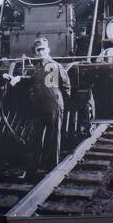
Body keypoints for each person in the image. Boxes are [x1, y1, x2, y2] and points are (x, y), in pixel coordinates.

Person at [27, 37, 70, 174]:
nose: (40, 52)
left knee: (53, 135)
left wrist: (60, 102)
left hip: (53, 105)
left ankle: (52, 167)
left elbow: (66, 85)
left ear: (48, 50)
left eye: (42, 50)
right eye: (38, 50)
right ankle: (33, 166)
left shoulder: (54, 65)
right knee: (36, 135)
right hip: (38, 106)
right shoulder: (37, 67)